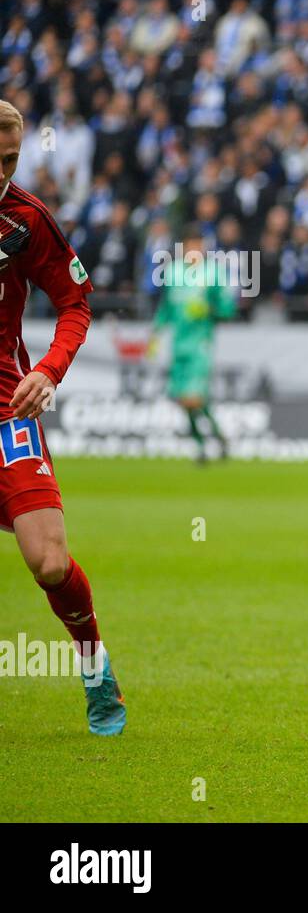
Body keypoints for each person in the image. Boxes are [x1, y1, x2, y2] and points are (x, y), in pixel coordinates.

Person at [0, 98, 126, 734]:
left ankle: (94, 664)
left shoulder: (23, 218)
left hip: (5, 408)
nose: (1, 172)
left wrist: (47, 369)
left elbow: (75, 302)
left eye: (10, 160)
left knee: (48, 562)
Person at [149, 223, 236, 462]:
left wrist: (210, 308)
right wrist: (155, 332)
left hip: (200, 344)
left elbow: (228, 309)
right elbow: (166, 307)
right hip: (179, 345)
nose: (194, 249)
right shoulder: (174, 272)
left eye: (199, 245)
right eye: (190, 245)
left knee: (193, 398)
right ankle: (214, 439)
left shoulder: (213, 272)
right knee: (183, 400)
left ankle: (202, 447)